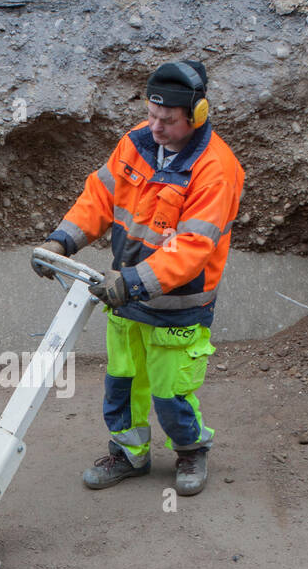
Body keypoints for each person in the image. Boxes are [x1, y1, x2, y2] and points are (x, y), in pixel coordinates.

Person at [36, 60, 244, 495]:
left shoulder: (216, 170)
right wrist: (62, 241)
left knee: (171, 395)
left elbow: (191, 248)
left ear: (197, 116)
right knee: (123, 384)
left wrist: (130, 282)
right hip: (125, 299)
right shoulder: (135, 143)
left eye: (166, 120)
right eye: (150, 115)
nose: (155, 127)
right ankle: (129, 455)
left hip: (177, 309)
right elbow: (99, 196)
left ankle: (190, 451)